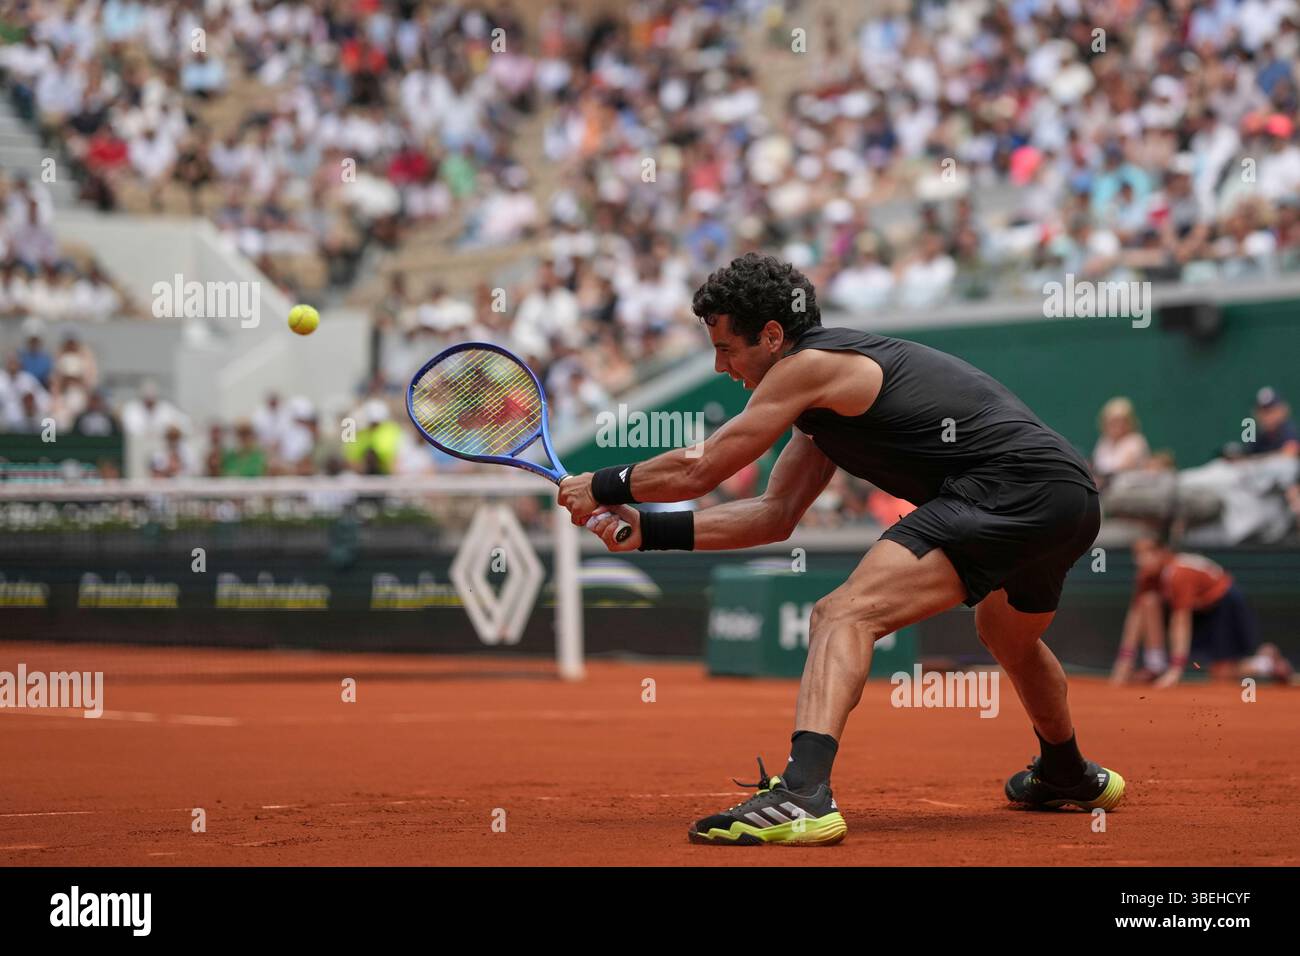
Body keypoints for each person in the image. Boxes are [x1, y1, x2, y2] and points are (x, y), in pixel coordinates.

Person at [558, 253, 1124, 846]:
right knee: (1006, 633)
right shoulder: (823, 399)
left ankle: (803, 795)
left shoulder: (810, 366)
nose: (722, 366)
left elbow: (703, 466)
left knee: (842, 613)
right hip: (1069, 498)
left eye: (728, 349)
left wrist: (602, 483)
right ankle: (1068, 771)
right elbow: (774, 517)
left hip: (1010, 487)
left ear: (773, 336)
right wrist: (649, 531)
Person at [1111, 534, 1293, 688]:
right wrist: (1124, 660)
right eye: (1137, 554)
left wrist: (1176, 669)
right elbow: (1136, 616)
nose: (1140, 560)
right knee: (1148, 602)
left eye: (1147, 553)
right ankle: (1155, 665)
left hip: (1224, 603)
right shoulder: (1146, 575)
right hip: (1200, 609)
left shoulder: (1179, 574)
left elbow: (1180, 621)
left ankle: (1266, 663)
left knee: (1222, 674)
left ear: (1162, 553)